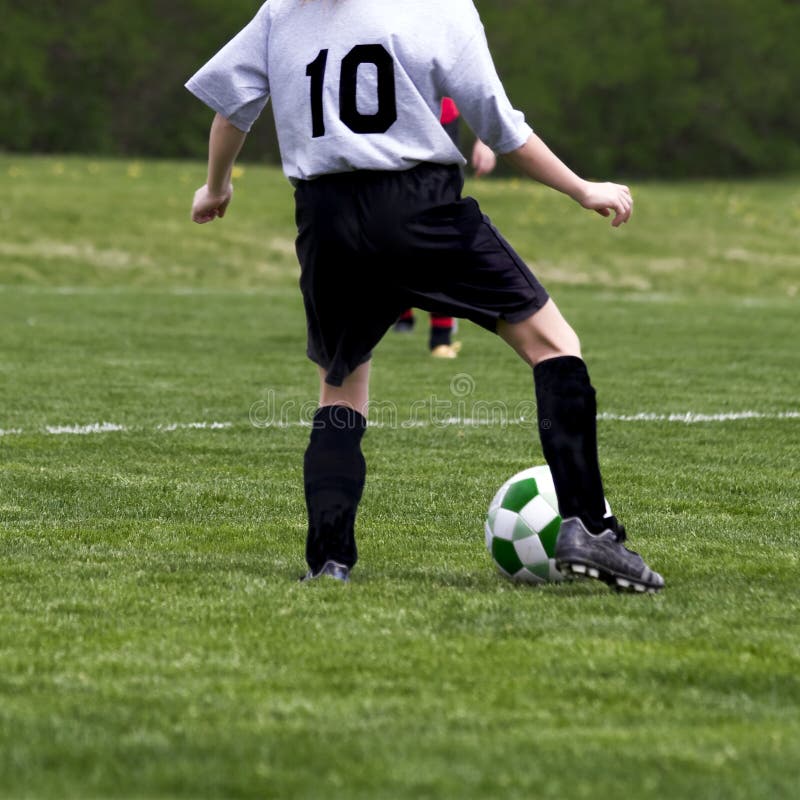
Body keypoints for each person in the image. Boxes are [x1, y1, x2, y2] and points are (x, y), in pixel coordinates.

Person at [186, 0, 664, 592]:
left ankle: (329, 563)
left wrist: (216, 186)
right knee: (553, 343)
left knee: (341, 387)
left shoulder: (283, 11)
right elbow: (501, 128)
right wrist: (581, 188)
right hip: (419, 207)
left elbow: (231, 110)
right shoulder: (438, 6)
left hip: (326, 220)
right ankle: (590, 528)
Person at [394, 97, 497, 358]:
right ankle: (400, 308)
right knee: (394, 225)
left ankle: (440, 335)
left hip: (439, 123)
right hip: (395, 125)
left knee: (437, 231)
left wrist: (486, 139)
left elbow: (476, 86)